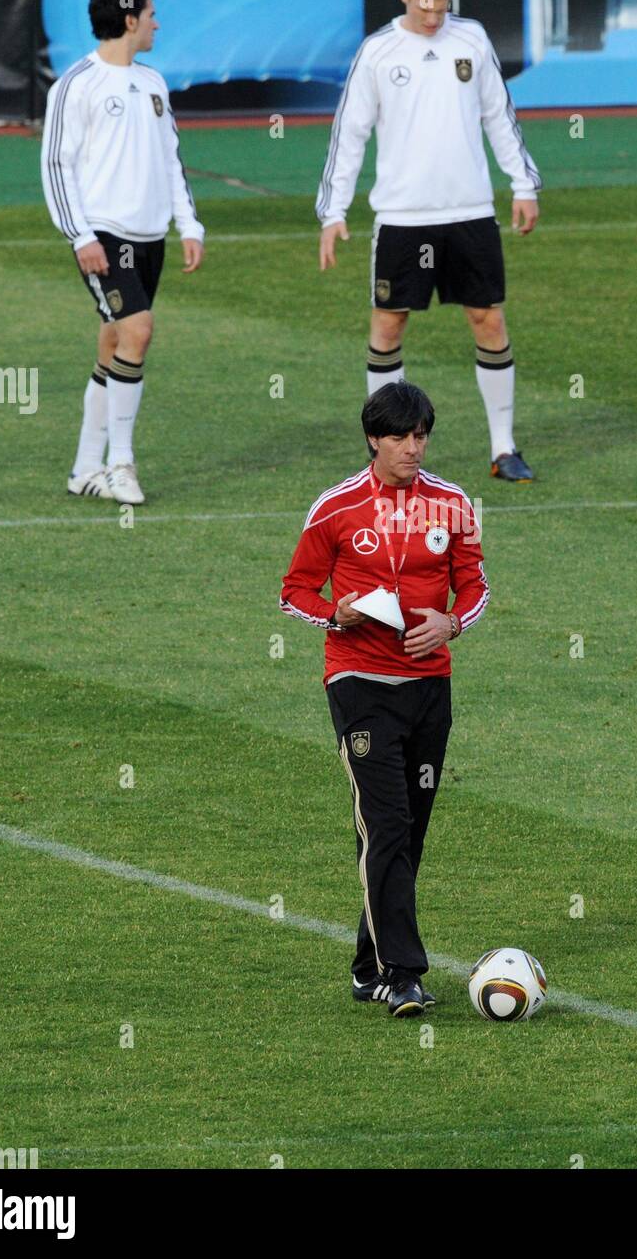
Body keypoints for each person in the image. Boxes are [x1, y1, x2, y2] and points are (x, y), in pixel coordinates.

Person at [279, 382, 489, 1016]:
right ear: (374, 438)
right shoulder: (336, 507)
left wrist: (450, 624)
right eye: (400, 437)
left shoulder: (453, 505)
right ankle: (403, 975)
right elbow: (294, 591)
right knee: (388, 823)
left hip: (429, 685)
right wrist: (335, 614)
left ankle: (367, 964)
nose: (413, 447)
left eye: (421, 435)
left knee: (409, 834)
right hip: (359, 682)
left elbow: (475, 588)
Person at [316, 0, 541, 483]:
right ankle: (382, 453)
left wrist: (523, 183)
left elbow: (498, 116)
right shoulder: (377, 51)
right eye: (425, 11)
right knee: (389, 325)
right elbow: (350, 133)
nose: (433, 20)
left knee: (488, 320)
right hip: (402, 216)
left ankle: (504, 447)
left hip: (470, 212)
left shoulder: (472, 40)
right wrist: (333, 210)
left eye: (441, 10)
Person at [40, 0, 204, 506]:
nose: (157, 22)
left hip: (150, 235)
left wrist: (189, 225)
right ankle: (121, 464)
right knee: (138, 331)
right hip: (104, 236)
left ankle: (83, 469)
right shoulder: (75, 85)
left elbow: (171, 160)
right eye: (151, 13)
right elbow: (56, 167)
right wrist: (80, 235)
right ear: (130, 19)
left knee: (114, 343)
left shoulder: (153, 83)